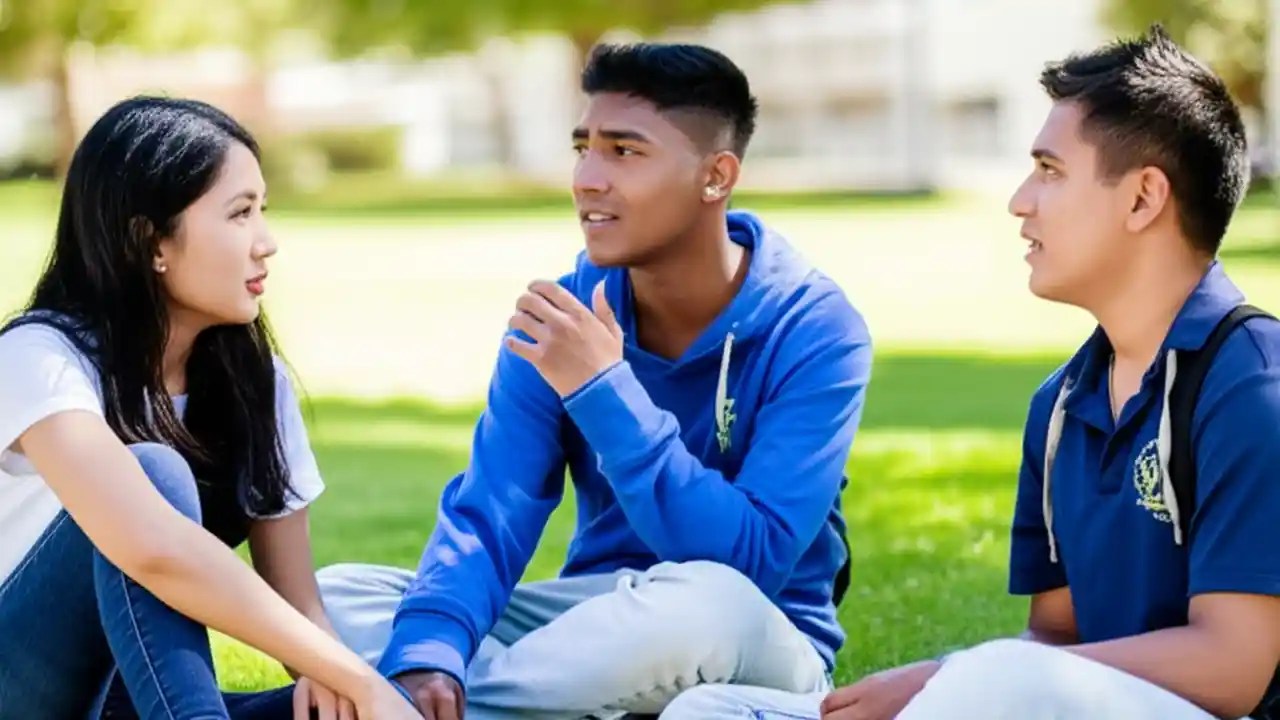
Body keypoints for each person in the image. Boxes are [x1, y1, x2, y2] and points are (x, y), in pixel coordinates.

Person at [661, 23, 1280, 720]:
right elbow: (1054, 640)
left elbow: (1235, 667)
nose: (1021, 200)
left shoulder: (1252, 385)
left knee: (1006, 679)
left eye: (1049, 169)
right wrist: (946, 678)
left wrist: (958, 675)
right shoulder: (1062, 405)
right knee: (711, 710)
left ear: (1142, 198)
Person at [316, 42, 872, 719]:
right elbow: (493, 510)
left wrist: (604, 391)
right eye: (584, 147)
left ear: (715, 176)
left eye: (623, 151)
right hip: (602, 618)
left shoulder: (815, 329)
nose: (586, 177)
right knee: (339, 596)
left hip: (753, 634)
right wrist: (430, 648)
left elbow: (751, 563)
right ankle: (459, 694)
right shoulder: (563, 313)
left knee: (706, 605)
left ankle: (404, 707)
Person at [0, 96, 422, 720]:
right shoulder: (38, 359)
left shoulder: (256, 382)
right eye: (239, 214)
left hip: (131, 703)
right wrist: (359, 681)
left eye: (263, 211)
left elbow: (299, 608)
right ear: (150, 242)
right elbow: (156, 551)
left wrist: (354, 690)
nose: (267, 243)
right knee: (153, 474)